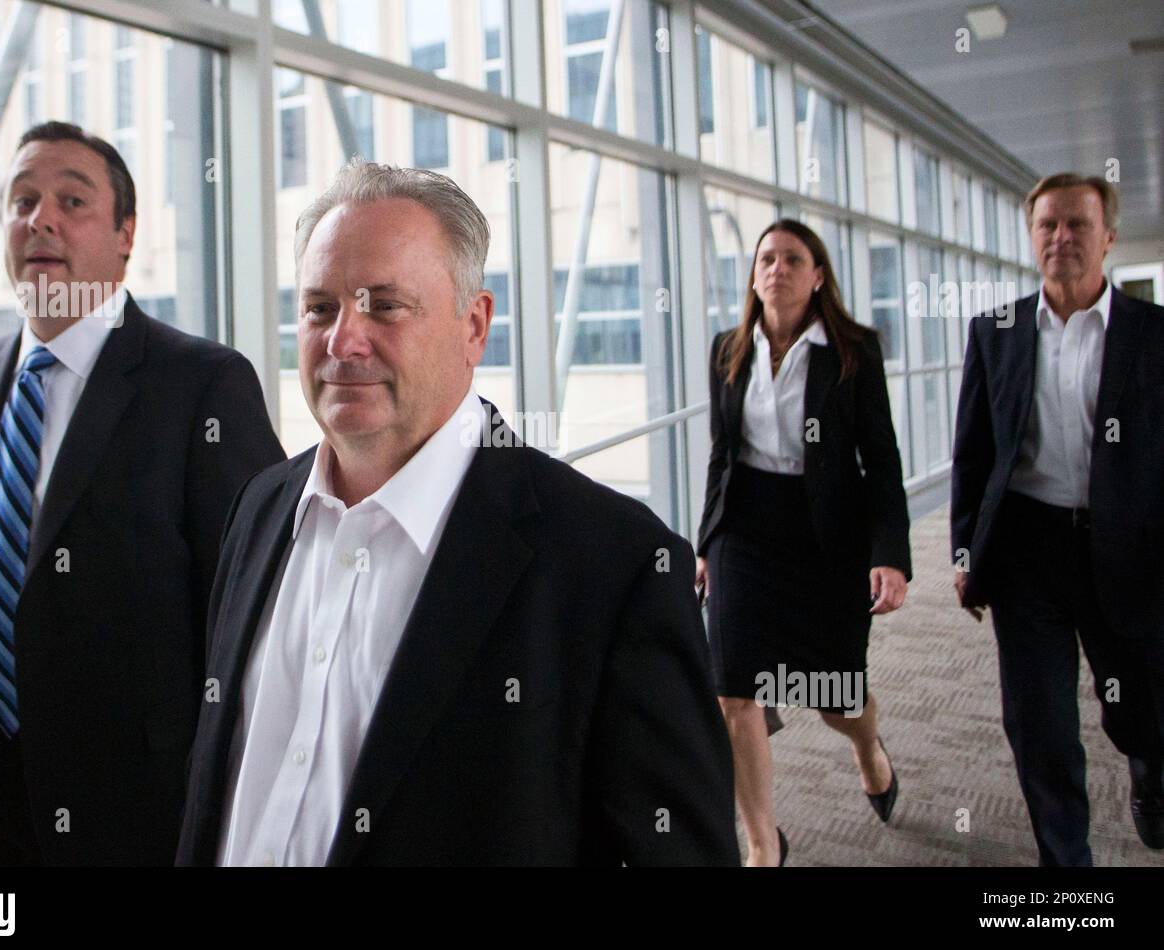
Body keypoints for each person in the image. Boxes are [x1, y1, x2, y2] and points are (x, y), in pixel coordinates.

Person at [175, 161, 740, 866]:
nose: (343, 340)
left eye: (384, 305)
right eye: (320, 307)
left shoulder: (614, 567)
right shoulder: (258, 511)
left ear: (473, 327)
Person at [0, 121, 285, 865]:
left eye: (72, 200)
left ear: (126, 235)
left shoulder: (202, 385)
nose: (41, 219)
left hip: (140, 814)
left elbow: (256, 610)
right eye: (21, 200)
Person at [951, 173, 1164, 865]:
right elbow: (974, 453)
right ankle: (1065, 870)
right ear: (1031, 235)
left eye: (1077, 225)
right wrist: (965, 553)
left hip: (1132, 549)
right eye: (1048, 225)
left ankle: (1148, 765)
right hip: (1029, 550)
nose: (1061, 238)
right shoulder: (998, 331)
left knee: (1144, 710)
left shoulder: (1152, 333)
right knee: (1038, 722)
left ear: (1108, 237)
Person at [695, 220, 912, 866]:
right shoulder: (726, 351)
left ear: (818, 276)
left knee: (835, 699)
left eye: (793, 258)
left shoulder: (853, 351)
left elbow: (881, 459)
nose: (777, 268)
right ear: (754, 273)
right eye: (766, 258)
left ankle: (868, 749)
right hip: (746, 530)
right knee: (733, 692)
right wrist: (707, 540)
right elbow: (722, 453)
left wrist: (890, 554)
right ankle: (763, 842)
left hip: (827, 537)